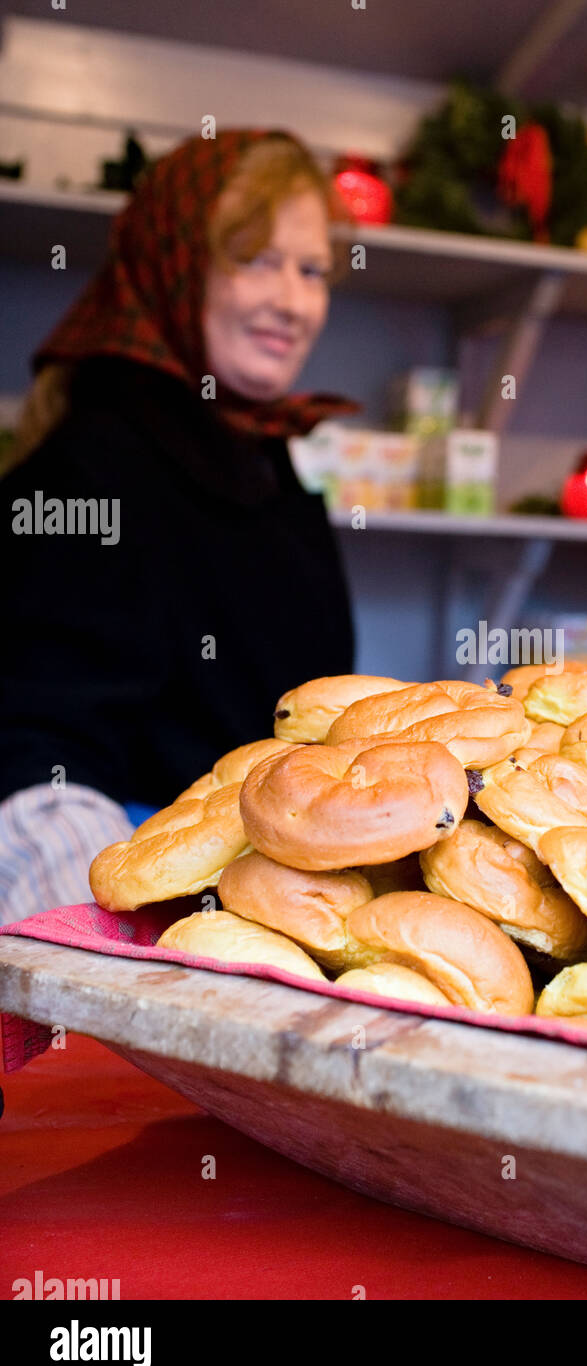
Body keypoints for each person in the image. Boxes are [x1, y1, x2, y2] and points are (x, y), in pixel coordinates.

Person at [0, 129, 358, 923]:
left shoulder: (265, 458)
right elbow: (35, 743)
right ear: (173, 263)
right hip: (141, 897)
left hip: (257, 889)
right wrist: (124, 956)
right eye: (255, 260)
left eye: (312, 270)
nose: (293, 302)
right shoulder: (91, 466)